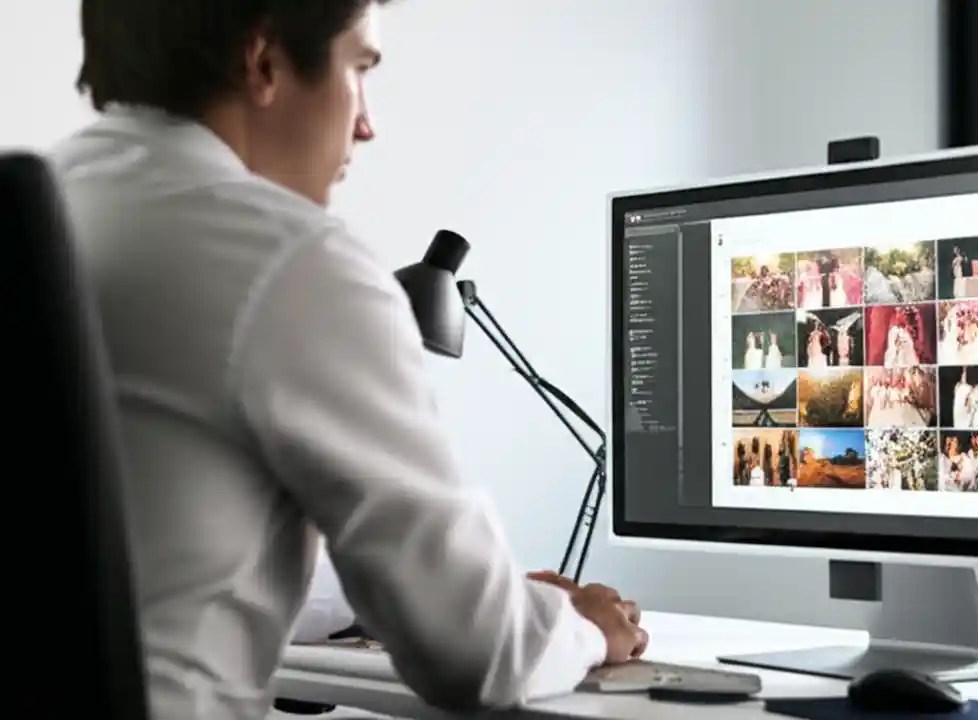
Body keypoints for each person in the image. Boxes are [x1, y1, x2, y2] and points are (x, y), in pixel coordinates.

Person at [53, 2, 646, 718]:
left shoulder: (45, 208)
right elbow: (478, 653)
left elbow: (157, 571)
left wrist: (378, 595)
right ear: (265, 60)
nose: (366, 123)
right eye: (357, 69)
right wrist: (581, 628)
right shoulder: (289, 260)